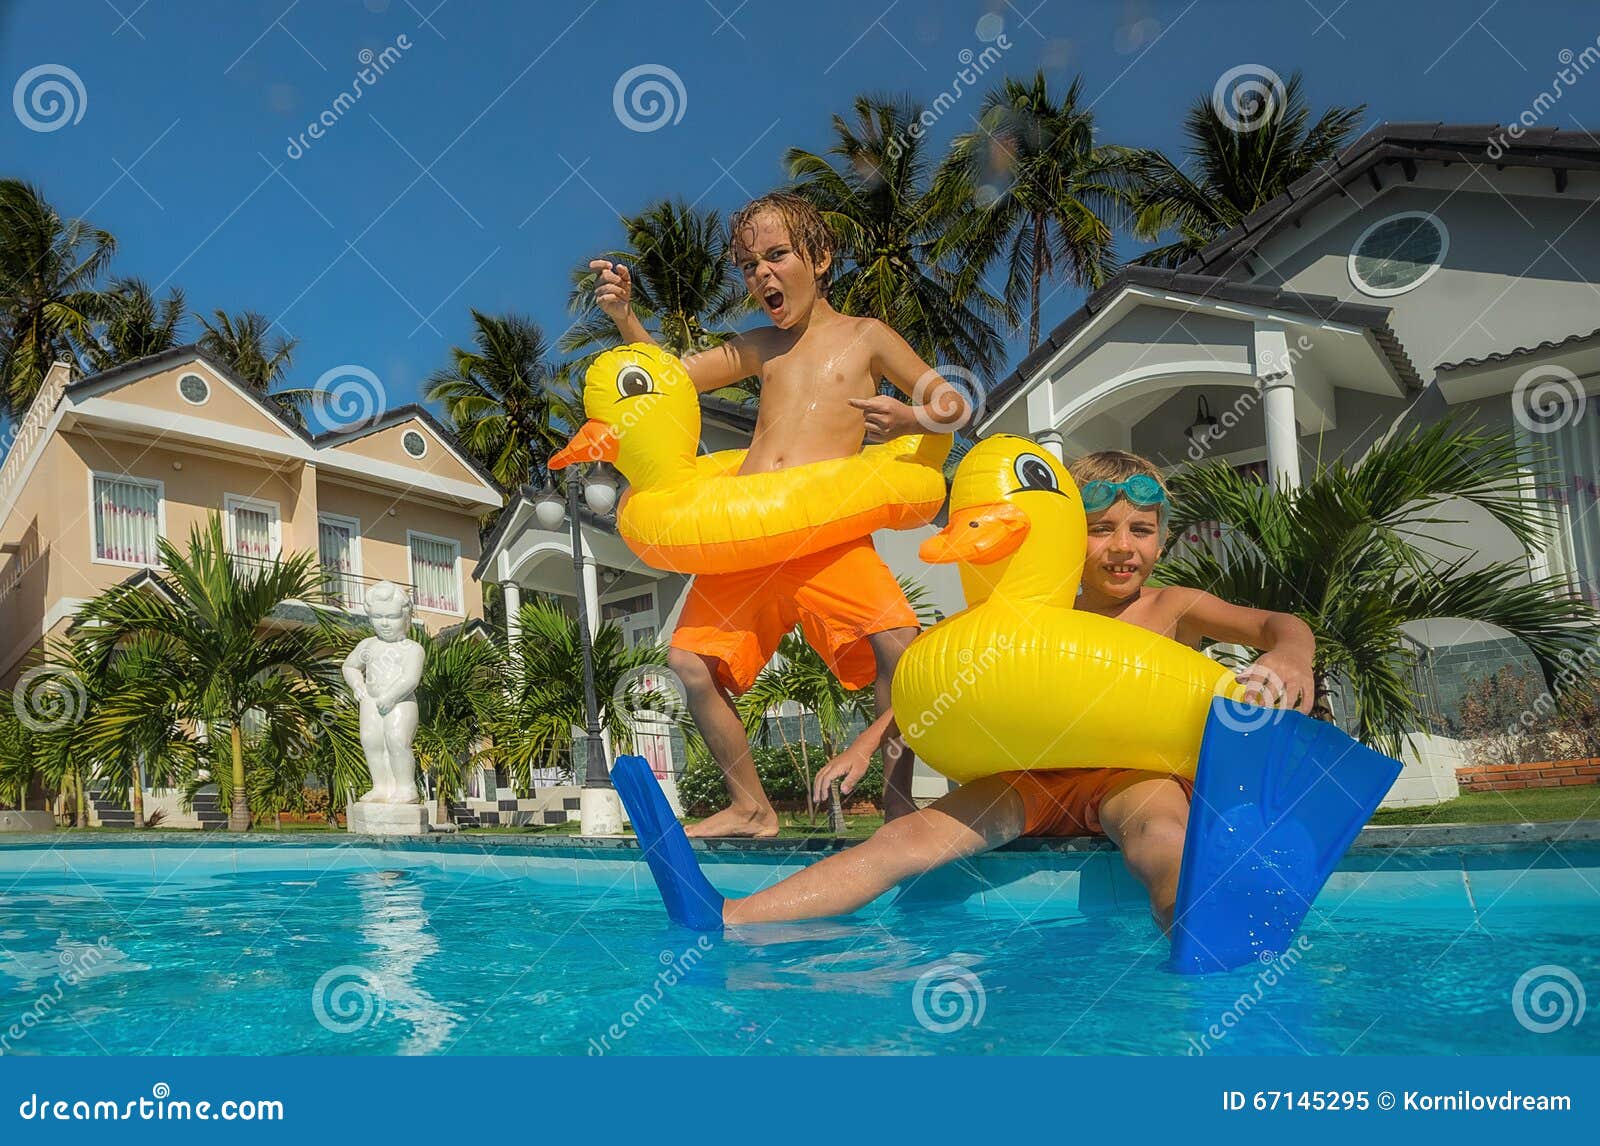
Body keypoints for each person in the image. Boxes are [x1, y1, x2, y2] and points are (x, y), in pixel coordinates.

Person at [718, 449, 1317, 934]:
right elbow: (947, 684)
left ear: (1161, 541)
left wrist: (1293, 652)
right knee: (906, 837)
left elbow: (1273, 624)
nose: (1122, 547)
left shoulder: (1173, 606)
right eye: (1100, 530)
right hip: (1033, 775)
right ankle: (732, 916)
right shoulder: (1035, 618)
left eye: (1141, 530)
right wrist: (866, 744)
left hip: (1134, 775)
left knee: (1159, 836)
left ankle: (1206, 944)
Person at [588, 191, 970, 837]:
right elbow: (664, 384)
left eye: (776, 256)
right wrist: (627, 318)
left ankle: (899, 803)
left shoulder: (865, 337)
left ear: (820, 258)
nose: (761, 274)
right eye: (747, 264)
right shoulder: (763, 344)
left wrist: (914, 416)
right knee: (689, 665)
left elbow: (951, 402)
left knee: (899, 649)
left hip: (825, 533)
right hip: (747, 537)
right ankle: (753, 807)